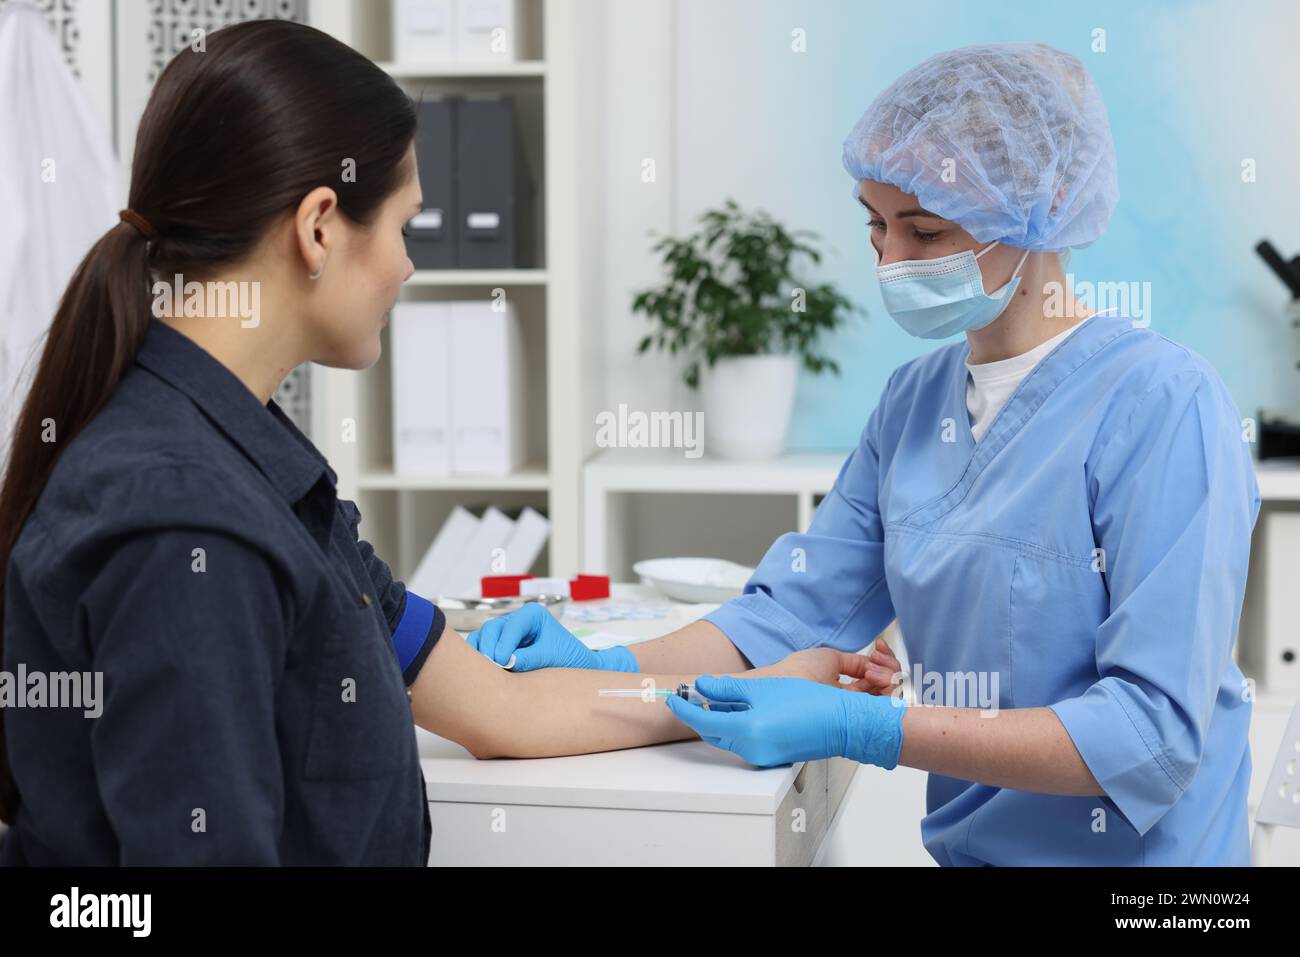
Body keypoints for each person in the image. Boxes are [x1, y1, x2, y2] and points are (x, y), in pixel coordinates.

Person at [0, 19, 855, 866]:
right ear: (320, 226)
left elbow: (497, 708)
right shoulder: (188, 523)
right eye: (406, 226)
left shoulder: (250, 461)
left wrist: (759, 689)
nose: (409, 266)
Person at [466, 43, 1261, 866]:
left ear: (1048, 203)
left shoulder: (1165, 406)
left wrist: (869, 729)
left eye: (925, 230)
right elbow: (785, 618)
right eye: (876, 225)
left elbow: (1151, 736)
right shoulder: (913, 406)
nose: (889, 261)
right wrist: (604, 662)